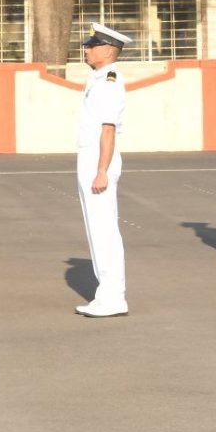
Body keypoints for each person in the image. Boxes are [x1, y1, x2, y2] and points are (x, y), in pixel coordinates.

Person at [74, 24, 132, 318]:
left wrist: (101, 171)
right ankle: (105, 293)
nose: (86, 49)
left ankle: (113, 296)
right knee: (96, 229)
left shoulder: (110, 80)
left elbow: (108, 129)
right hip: (90, 156)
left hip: (99, 159)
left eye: (92, 45)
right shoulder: (97, 78)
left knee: (105, 229)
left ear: (108, 50)